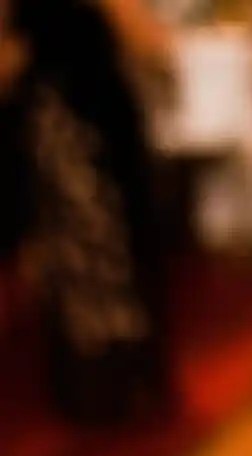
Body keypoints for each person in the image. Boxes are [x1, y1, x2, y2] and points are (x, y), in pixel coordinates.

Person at [0, 0, 173, 424]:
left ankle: (100, 385)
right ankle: (115, 384)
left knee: (83, 252)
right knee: (99, 248)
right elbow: (147, 41)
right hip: (76, 121)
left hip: (60, 114)